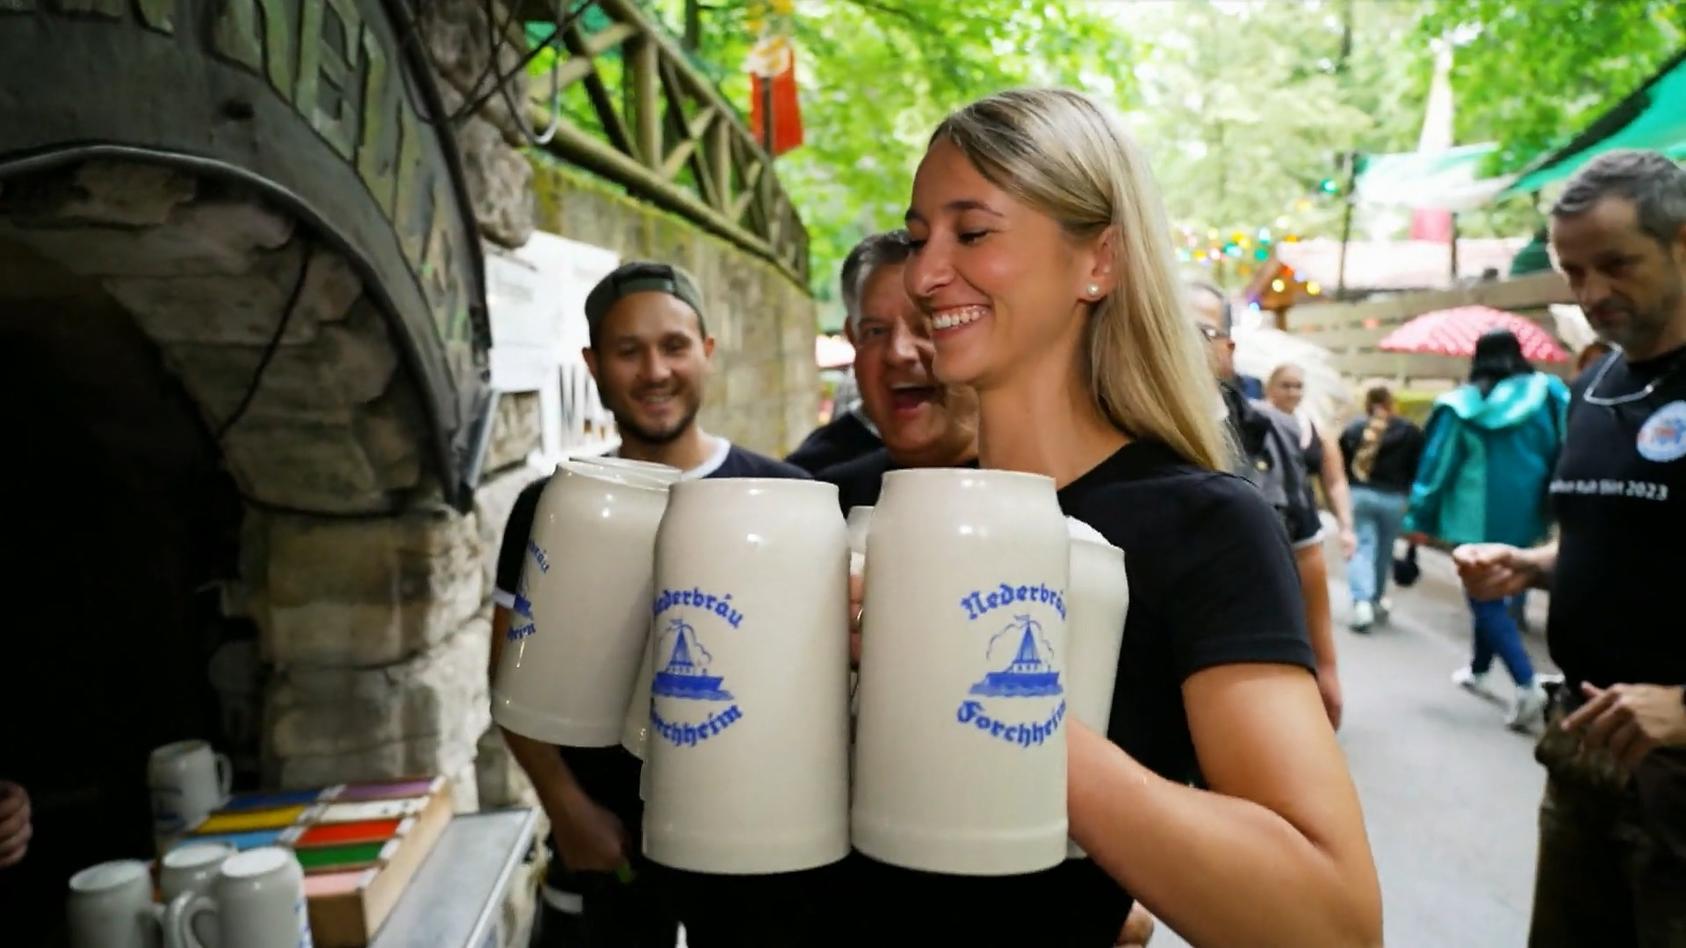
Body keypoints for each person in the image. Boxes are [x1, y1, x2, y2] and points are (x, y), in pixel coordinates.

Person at [878, 87, 1380, 947]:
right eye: (919, 237)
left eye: (972, 232)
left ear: (1098, 261)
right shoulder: (890, 509)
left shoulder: (1202, 526)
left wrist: (975, 698)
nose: (924, 275)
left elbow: (1330, 918)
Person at [488, 261, 809, 948]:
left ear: (708, 353)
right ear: (593, 365)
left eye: (674, 346)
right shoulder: (553, 506)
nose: (654, 371)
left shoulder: (784, 498)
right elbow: (509, 679)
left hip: (750, 859)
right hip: (605, 856)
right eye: (627, 351)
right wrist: (566, 807)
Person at [1453, 149, 1686, 946]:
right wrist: (1532, 563)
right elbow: (1620, 536)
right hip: (1583, 751)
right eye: (1573, 272)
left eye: (1615, 265)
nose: (1590, 296)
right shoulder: (1592, 389)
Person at [1188, 285, 1345, 729]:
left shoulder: (1271, 432)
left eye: (1197, 331)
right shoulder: (1117, 427)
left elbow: (1307, 550)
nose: (1176, 342)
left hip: (1255, 671)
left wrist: (1326, 665)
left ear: (1227, 348)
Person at [1404, 329, 1569, 730]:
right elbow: (1568, 446)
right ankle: (1479, 669)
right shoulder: (1550, 393)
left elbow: (1437, 466)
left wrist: (1418, 519)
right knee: (1510, 590)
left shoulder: (1461, 405)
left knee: (1483, 594)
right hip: (1531, 511)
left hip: (1473, 515)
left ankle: (1526, 684)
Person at [815, 230, 978, 510]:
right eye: (875, 331)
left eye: (928, 326)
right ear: (853, 340)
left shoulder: (1054, 497)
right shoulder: (828, 508)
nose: (898, 353)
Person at [1338, 386, 1424, 631]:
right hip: (1394, 498)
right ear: (1392, 403)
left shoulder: (1354, 429)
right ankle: (1375, 598)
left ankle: (1362, 602)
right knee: (1384, 551)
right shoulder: (1409, 431)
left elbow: (1341, 465)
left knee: (1361, 547)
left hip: (1359, 494)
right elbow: (1417, 468)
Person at [1266, 363, 1359, 560]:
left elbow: (1335, 481)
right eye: (1285, 385)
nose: (1292, 392)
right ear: (1270, 388)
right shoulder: (1255, 423)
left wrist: (1346, 528)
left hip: (1303, 520)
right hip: (1264, 520)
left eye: (1298, 386)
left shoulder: (1316, 430)